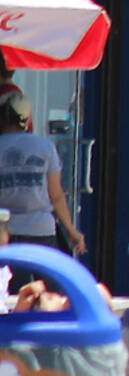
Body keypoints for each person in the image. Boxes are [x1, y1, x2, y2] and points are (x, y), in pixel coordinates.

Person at [0, 90, 84, 257]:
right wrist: (71, 230)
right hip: (41, 231)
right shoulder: (45, 147)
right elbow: (56, 196)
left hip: (5, 232)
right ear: (27, 119)